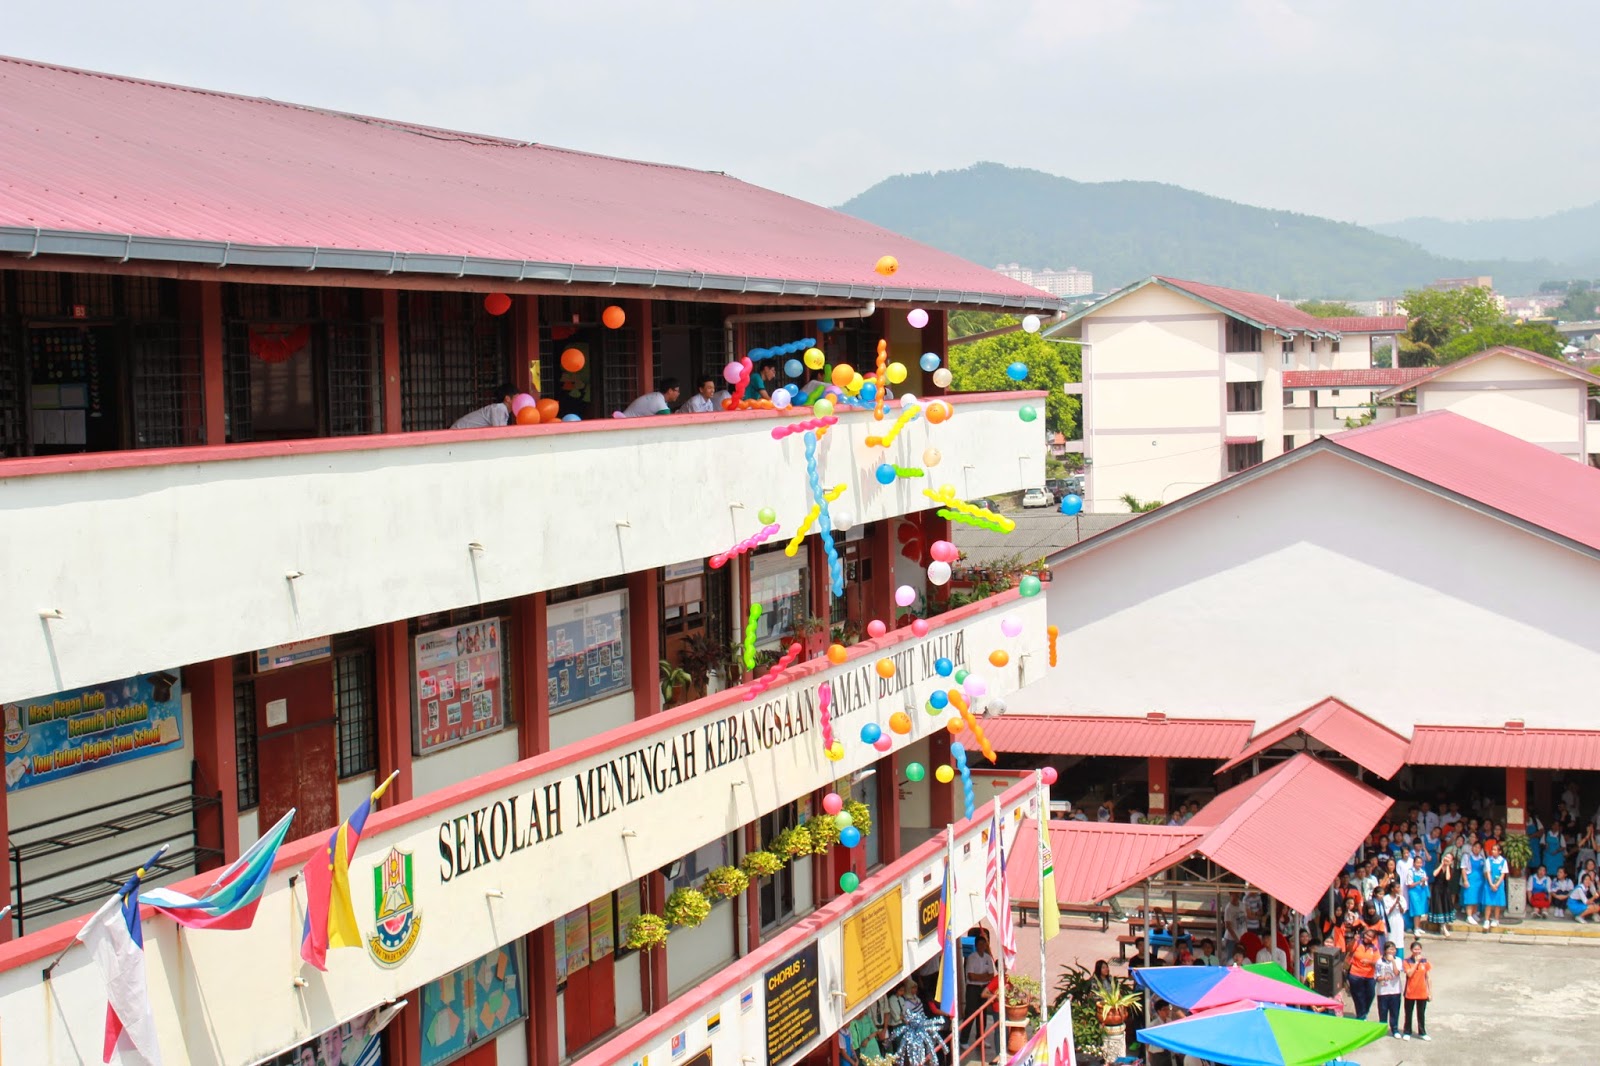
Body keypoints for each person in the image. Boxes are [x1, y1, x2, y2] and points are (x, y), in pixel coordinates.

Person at [887, 976, 943, 1066]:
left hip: (922, 1024)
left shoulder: (916, 998)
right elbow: (904, 1015)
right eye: (913, 988)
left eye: (916, 988)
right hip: (912, 1028)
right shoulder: (905, 1001)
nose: (915, 990)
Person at [963, 930, 996, 1047]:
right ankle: (963, 1040)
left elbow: (991, 975)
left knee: (983, 1014)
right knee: (970, 1013)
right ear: (976, 945)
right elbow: (971, 976)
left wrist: (980, 977)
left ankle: (980, 1038)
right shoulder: (971, 958)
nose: (982, 946)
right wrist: (984, 976)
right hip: (973, 988)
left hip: (984, 988)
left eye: (984, 944)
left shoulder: (987, 958)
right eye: (980, 944)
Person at [451, 382, 519, 429]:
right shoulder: (500, 408)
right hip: (457, 433)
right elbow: (500, 433)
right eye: (517, 398)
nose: (519, 400)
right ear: (507, 399)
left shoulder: (501, 410)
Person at [1345, 928, 1380, 1020]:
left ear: (1373, 939)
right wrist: (1354, 940)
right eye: (1366, 935)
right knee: (1358, 996)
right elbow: (1348, 949)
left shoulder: (1375, 948)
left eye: (1370, 936)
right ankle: (1361, 1016)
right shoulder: (1358, 943)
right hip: (1355, 974)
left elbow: (1377, 963)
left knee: (1370, 995)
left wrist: (1369, 962)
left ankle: (1363, 1013)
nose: (1367, 937)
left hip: (1369, 976)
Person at [1402, 939, 1432, 1041]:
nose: (1417, 951)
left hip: (1422, 992)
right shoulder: (1406, 961)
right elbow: (1409, 974)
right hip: (1410, 991)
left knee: (1421, 1014)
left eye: (1419, 949)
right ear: (1411, 950)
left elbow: (1428, 977)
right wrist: (1416, 962)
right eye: (1415, 949)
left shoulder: (1425, 961)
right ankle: (1407, 1032)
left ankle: (1422, 1032)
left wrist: (1430, 992)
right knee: (1408, 1013)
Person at [1374, 941, 1405, 1038]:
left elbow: (1397, 973)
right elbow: (1377, 977)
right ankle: (1382, 1029)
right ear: (1385, 950)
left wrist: (1393, 962)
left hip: (1395, 990)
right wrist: (1384, 978)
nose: (1392, 951)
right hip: (1383, 991)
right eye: (1390, 949)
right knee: (1383, 1011)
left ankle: (1394, 1030)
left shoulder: (1398, 960)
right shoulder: (1379, 961)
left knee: (1394, 1011)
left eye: (1394, 949)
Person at [1427, 851, 1457, 936]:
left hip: (1445, 890)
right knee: (1439, 907)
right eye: (1446, 857)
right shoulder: (1438, 865)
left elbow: (1447, 878)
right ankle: (1443, 927)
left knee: (1444, 907)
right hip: (1436, 889)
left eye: (1449, 858)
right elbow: (1434, 874)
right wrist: (1442, 864)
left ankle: (1442, 926)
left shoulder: (1451, 869)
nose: (1447, 859)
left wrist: (1447, 866)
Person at [1482, 838, 1509, 930]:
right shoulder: (1488, 860)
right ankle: (1486, 920)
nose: (1492, 851)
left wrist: (1496, 885)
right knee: (1488, 903)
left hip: (1499, 885)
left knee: (1498, 903)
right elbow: (1488, 872)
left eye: (1495, 850)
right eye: (1492, 849)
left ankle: (1496, 919)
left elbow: (1503, 874)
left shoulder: (1503, 861)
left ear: (1499, 851)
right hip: (1489, 884)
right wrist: (1491, 884)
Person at [1461, 840, 1484, 926]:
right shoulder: (1467, 856)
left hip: (1479, 881)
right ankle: (1469, 916)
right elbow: (1463, 869)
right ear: (1472, 847)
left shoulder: (1481, 858)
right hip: (1470, 879)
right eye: (1475, 847)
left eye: (1478, 848)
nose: (1476, 849)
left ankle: (1474, 913)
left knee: (1476, 898)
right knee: (1470, 898)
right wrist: (1465, 880)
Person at [1381, 882, 1406, 950]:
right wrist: (1395, 903)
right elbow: (1387, 912)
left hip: (1399, 919)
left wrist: (1399, 903)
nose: (1399, 889)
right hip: (1390, 919)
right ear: (1392, 889)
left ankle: (1399, 952)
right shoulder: (1386, 898)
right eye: (1397, 887)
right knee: (1391, 936)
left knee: (1399, 937)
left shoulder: (1401, 898)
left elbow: (1402, 911)